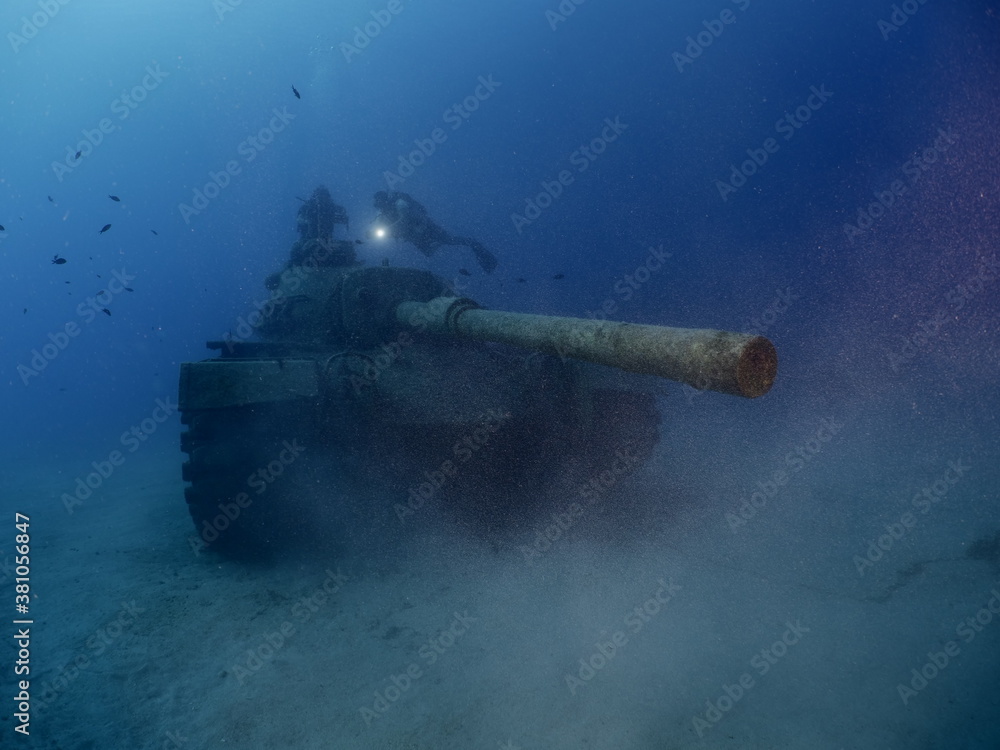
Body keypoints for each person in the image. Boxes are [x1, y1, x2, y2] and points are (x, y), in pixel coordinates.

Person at [372, 191, 498, 273]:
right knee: (428, 252)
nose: (379, 205)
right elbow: (378, 224)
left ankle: (475, 245)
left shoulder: (400, 204)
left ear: (385, 200)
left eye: (380, 202)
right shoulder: (382, 212)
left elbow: (403, 220)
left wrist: (387, 230)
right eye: (377, 203)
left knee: (450, 240)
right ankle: (439, 243)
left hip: (427, 228)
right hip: (414, 236)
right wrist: (372, 232)